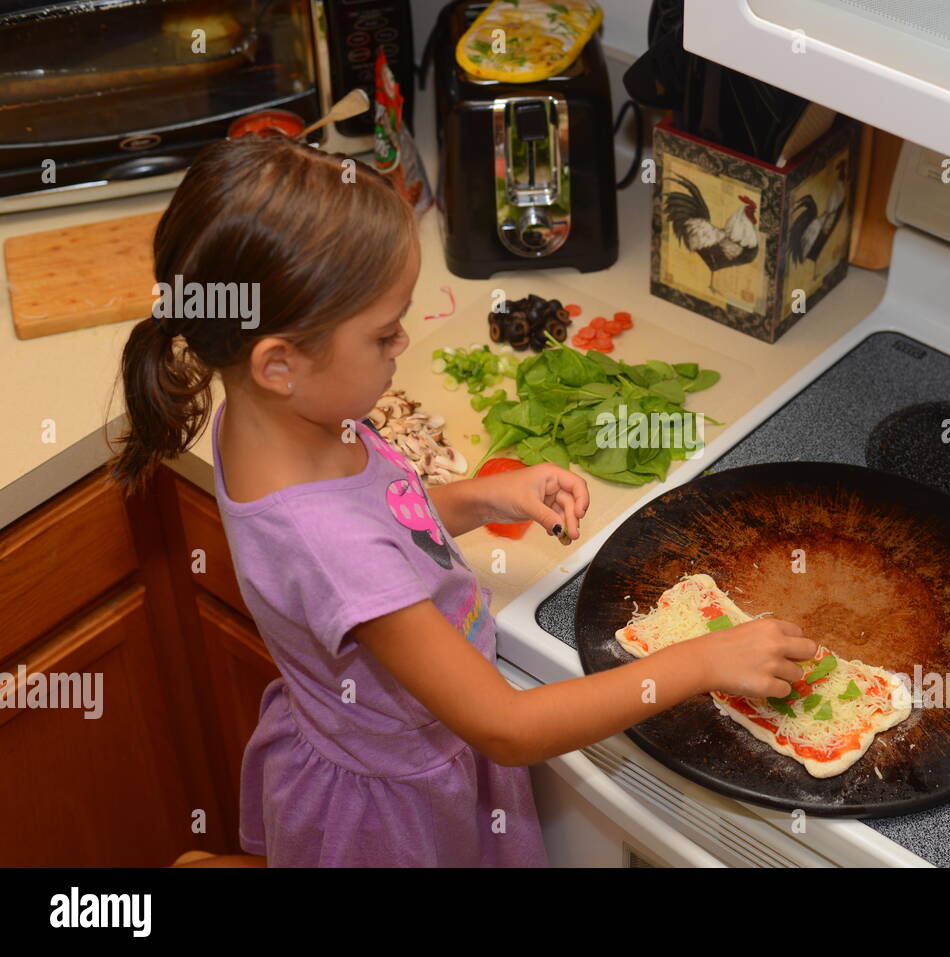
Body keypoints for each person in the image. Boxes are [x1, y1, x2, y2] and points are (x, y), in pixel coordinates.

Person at [107, 134, 816, 867]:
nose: (403, 342)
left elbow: (378, 517)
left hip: (367, 742)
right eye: (383, 334)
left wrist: (478, 496)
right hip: (396, 812)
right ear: (279, 362)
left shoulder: (263, 422)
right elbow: (505, 725)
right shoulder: (328, 541)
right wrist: (699, 663)